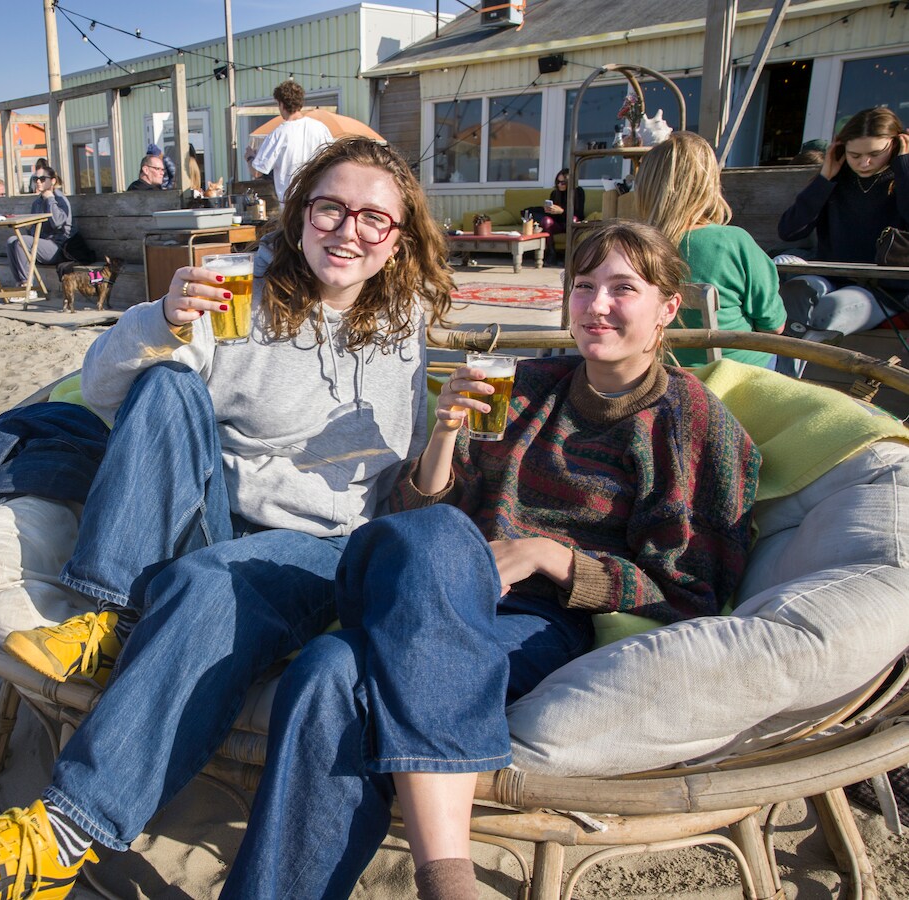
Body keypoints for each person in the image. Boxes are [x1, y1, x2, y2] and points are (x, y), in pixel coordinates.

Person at [0, 136, 455, 900]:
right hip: (219, 521)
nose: (348, 229)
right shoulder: (243, 292)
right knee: (166, 388)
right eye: (331, 207)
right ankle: (111, 618)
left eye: (373, 219)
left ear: (397, 240)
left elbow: (409, 492)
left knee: (212, 584)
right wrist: (157, 317)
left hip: (323, 550)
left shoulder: (406, 325)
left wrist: (447, 432)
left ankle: (58, 840)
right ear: (300, 215)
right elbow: (103, 394)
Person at [223, 220, 760, 900]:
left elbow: (688, 587)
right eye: (584, 286)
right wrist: (445, 435)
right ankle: (449, 881)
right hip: (427, 584)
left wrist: (546, 555)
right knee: (442, 537)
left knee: (328, 672)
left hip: (533, 620)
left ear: (666, 309)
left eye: (623, 289)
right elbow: (408, 524)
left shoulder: (687, 422)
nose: (596, 306)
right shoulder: (529, 387)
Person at [636, 131, 785, 368]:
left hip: (660, 369)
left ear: (645, 187)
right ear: (709, 185)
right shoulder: (734, 242)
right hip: (734, 372)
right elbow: (774, 325)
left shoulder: (635, 246)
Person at [776, 106, 909, 366]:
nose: (864, 162)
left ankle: (786, 382)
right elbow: (790, 231)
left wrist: (904, 167)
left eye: (874, 154)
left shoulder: (901, 178)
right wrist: (825, 179)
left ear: (896, 145)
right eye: (854, 154)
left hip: (883, 287)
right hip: (831, 273)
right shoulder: (836, 180)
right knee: (796, 289)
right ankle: (783, 381)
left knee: (831, 308)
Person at [252, 79, 334, 203]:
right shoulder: (320, 128)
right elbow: (333, 161)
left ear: (282, 104)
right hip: (318, 199)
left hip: (291, 203)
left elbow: (257, 172)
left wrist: (249, 157)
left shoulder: (278, 134)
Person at [5, 165, 72, 299]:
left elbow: (58, 223)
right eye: (35, 179)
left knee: (20, 242)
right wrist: (29, 227)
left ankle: (28, 287)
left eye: (42, 178)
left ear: (52, 181)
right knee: (11, 241)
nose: (38, 182)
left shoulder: (60, 199)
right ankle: (21, 284)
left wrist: (50, 199)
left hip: (59, 247)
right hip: (42, 245)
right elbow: (34, 232)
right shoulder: (37, 202)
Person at [531, 168, 583, 265]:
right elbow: (552, 218)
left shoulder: (578, 192)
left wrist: (562, 211)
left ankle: (570, 255)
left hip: (571, 223)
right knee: (546, 220)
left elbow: (579, 213)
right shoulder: (555, 193)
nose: (559, 185)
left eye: (563, 182)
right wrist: (549, 211)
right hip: (558, 224)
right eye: (558, 182)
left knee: (574, 219)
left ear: (569, 182)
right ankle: (551, 254)